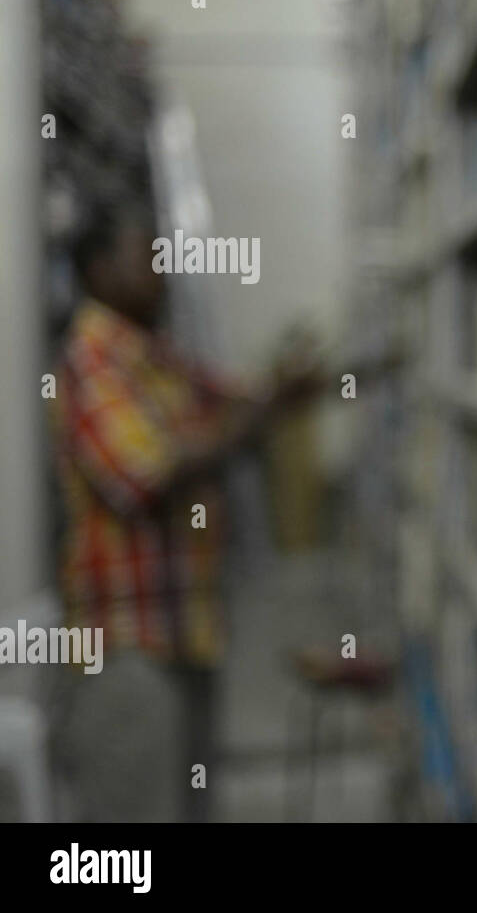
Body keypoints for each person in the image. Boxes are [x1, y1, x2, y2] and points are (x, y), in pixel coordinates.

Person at [47, 202, 319, 822]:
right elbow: (144, 475)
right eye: (147, 258)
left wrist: (292, 389)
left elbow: (237, 397)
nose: (162, 272)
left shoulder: (153, 355)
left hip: (186, 629)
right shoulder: (90, 362)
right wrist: (242, 424)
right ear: (97, 272)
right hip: (125, 645)